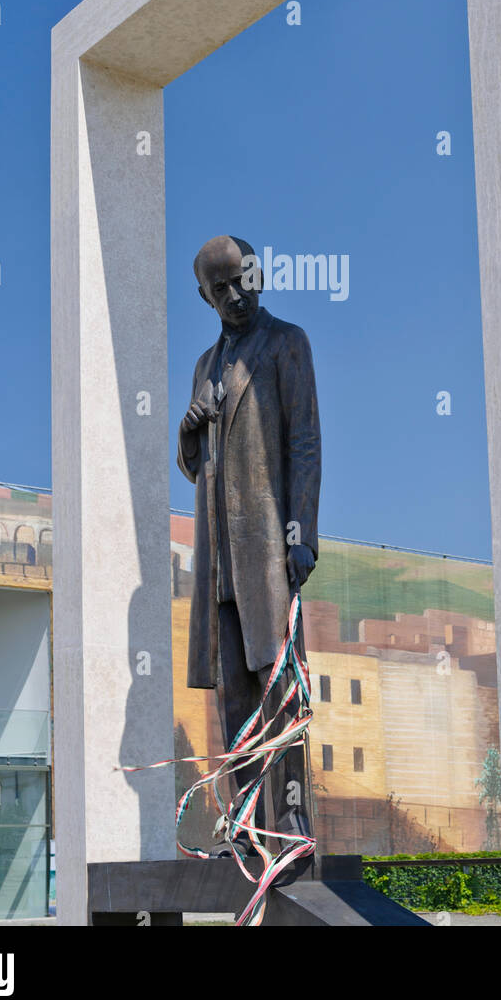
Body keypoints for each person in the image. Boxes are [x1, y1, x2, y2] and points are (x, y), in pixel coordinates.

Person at [177, 234, 321, 857]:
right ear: (203, 296)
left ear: (259, 272)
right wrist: (187, 428)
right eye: (222, 289)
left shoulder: (288, 343)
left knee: (279, 695)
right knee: (234, 698)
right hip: (219, 563)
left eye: (244, 279)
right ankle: (242, 829)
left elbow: (304, 442)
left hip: (267, 552)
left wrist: (302, 528)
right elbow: (195, 465)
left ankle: (288, 827)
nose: (237, 296)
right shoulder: (203, 367)